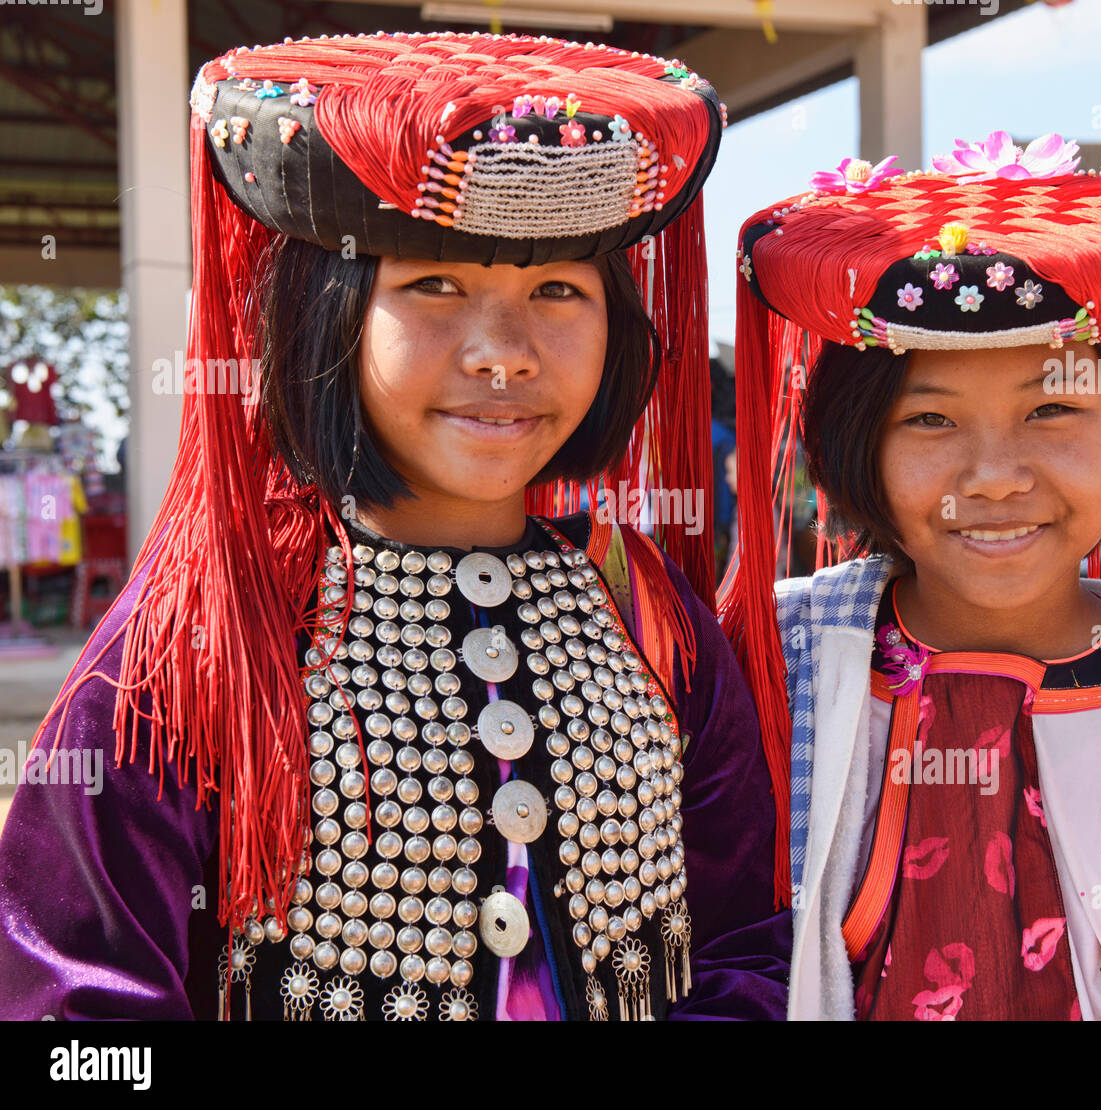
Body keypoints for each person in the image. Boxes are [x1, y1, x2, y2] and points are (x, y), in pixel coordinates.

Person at [0, 31, 789, 1022]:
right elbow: (78, 1007)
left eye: (557, 291)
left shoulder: (650, 615)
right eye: (434, 287)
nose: (502, 354)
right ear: (327, 317)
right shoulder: (201, 641)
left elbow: (744, 942)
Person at [719, 134, 1101, 1020]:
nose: (994, 476)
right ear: (855, 447)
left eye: (1052, 408)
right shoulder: (765, 673)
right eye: (931, 420)